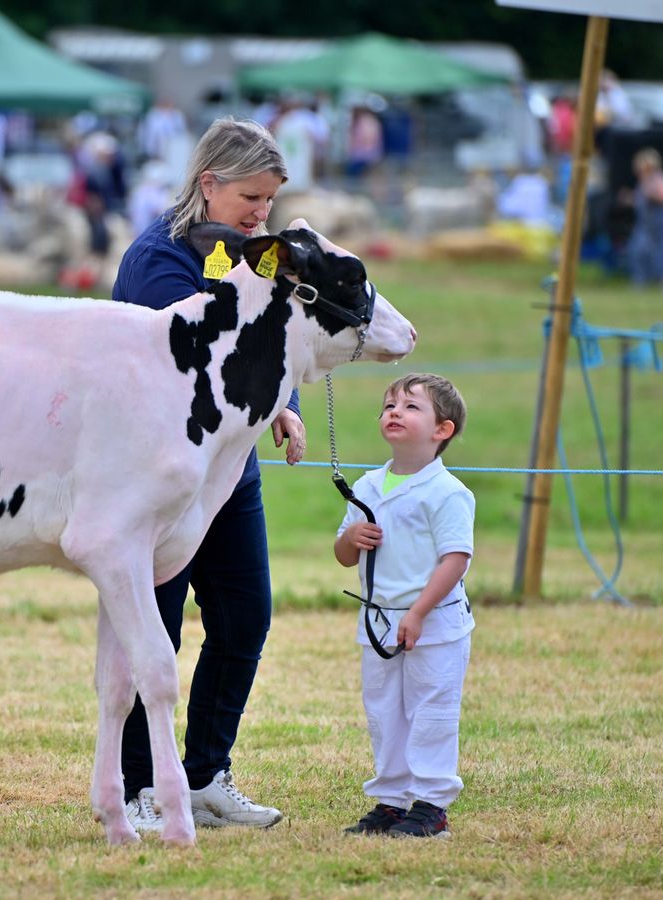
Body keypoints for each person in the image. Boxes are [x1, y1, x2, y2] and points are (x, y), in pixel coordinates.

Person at [111, 116, 305, 833]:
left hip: (231, 471)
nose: (262, 214)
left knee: (244, 617)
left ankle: (203, 777)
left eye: (270, 202)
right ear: (209, 184)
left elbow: (265, 339)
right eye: (251, 198)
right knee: (152, 633)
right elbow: (196, 361)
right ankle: (140, 787)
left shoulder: (252, 254)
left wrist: (281, 404)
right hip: (156, 480)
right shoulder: (157, 259)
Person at [334, 373, 475, 840]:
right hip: (377, 624)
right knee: (384, 712)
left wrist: (417, 613)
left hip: (433, 624)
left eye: (411, 406)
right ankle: (392, 802)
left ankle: (432, 805)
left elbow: (455, 559)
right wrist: (350, 539)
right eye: (389, 404)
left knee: (431, 711)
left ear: (443, 430)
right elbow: (343, 552)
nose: (394, 411)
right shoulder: (368, 486)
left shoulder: (448, 493)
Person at [627, 147, 663, 289]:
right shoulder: (643, 180)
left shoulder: (659, 178)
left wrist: (651, 194)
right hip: (646, 224)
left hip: (661, 223)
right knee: (639, 250)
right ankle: (640, 282)